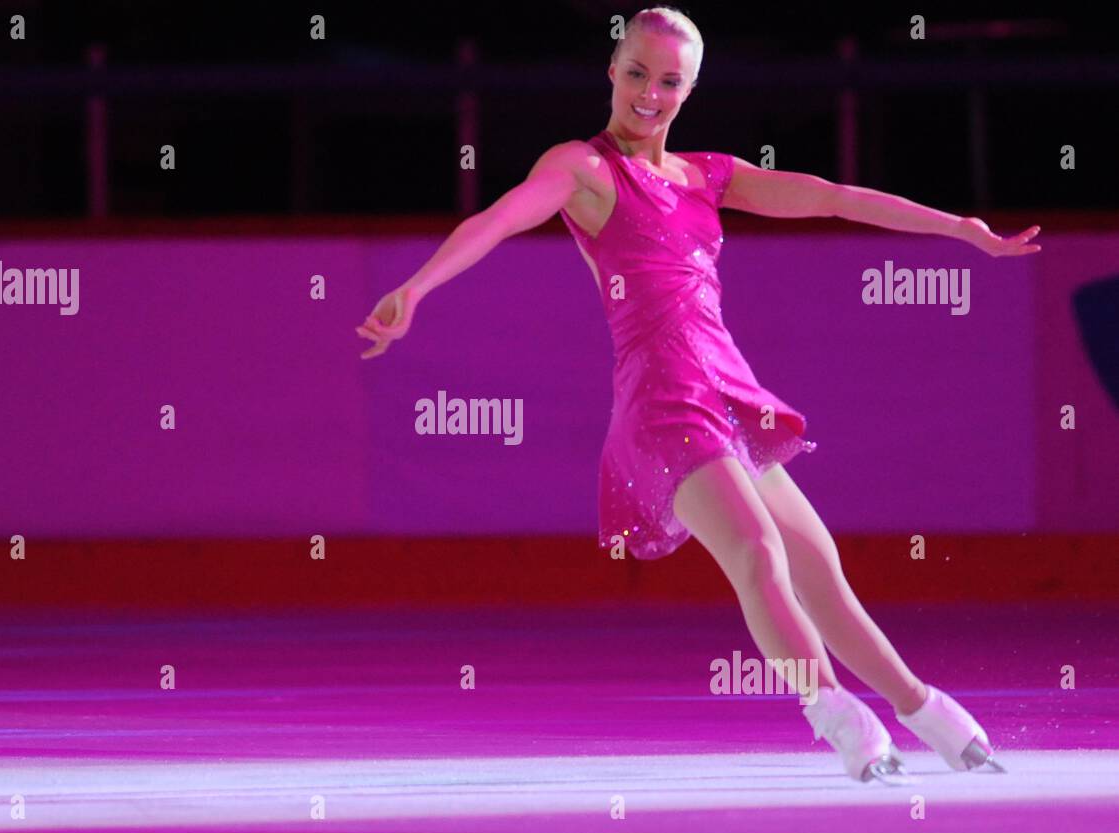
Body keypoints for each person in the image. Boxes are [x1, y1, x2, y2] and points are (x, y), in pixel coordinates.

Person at [356, 6, 1037, 782]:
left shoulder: (707, 176)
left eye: (669, 80)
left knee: (819, 566)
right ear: (611, 71)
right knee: (757, 547)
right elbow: (501, 216)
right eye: (637, 72)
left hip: (726, 393)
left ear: (691, 89)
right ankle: (836, 714)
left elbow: (832, 196)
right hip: (660, 406)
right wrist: (416, 287)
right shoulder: (583, 168)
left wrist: (959, 228)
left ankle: (930, 714)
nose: (650, 92)